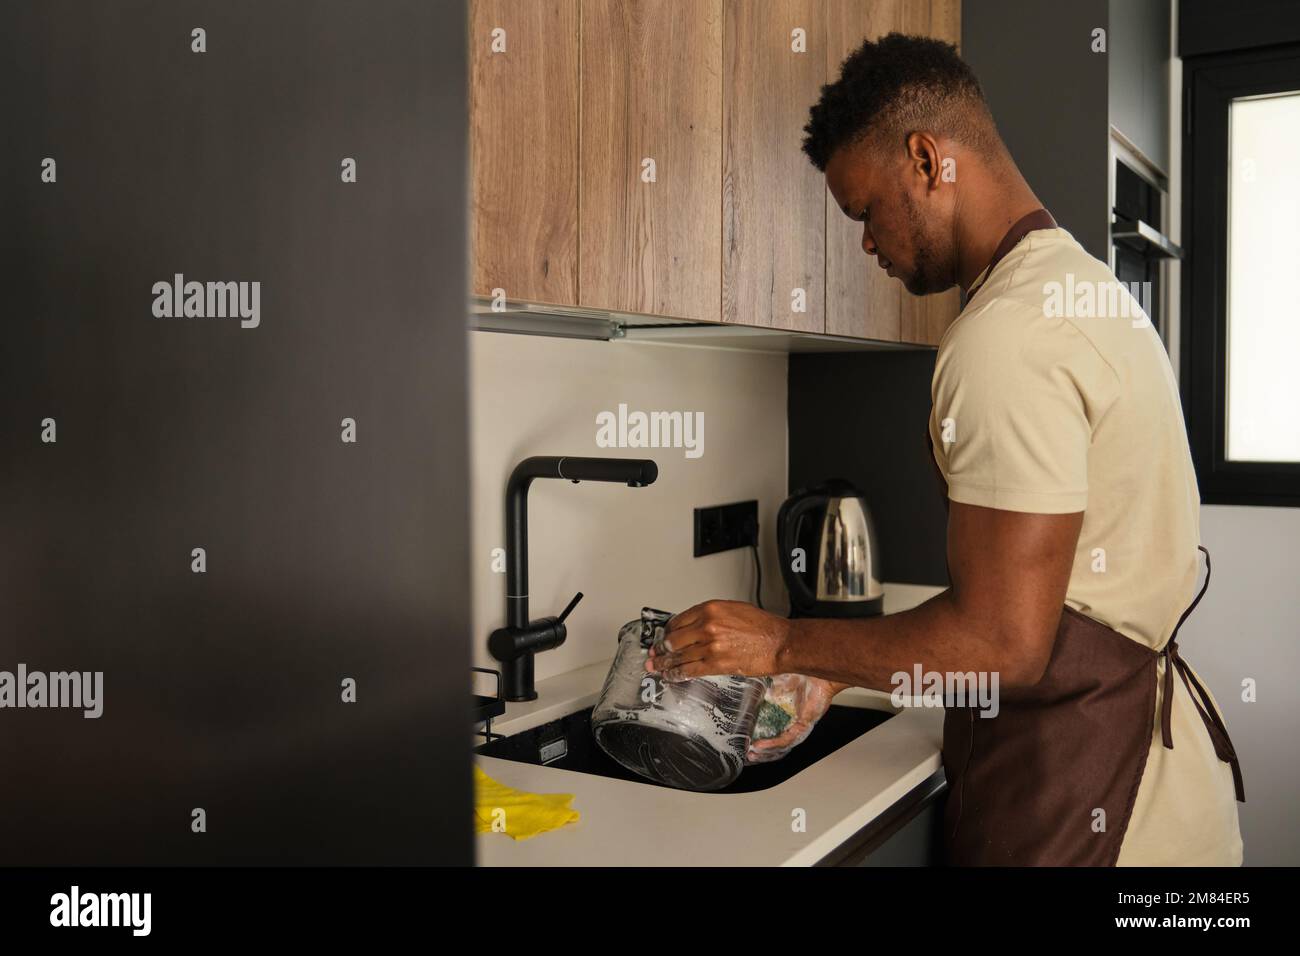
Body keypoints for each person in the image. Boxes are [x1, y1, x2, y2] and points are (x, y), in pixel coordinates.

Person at [647, 33, 1243, 866]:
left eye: (865, 211)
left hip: (1099, 801)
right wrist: (841, 668)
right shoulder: (1078, 290)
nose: (865, 243)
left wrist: (786, 643)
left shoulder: (1005, 337)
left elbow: (1002, 643)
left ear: (928, 160)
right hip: (1157, 787)